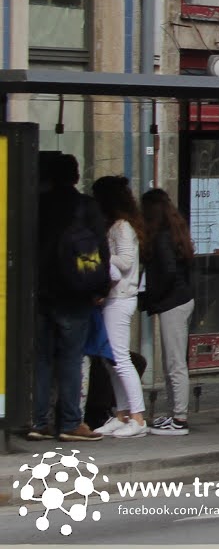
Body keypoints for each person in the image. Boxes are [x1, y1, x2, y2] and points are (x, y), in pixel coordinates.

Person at [29, 153, 106, 442]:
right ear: (75, 176)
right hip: (75, 293)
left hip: (43, 293)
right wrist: (100, 288)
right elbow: (100, 250)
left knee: (43, 359)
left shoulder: (37, 204)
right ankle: (71, 421)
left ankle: (39, 420)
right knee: (72, 357)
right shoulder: (86, 206)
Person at [89, 175, 148, 438]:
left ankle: (137, 416)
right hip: (116, 297)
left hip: (121, 297)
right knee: (110, 359)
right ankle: (122, 413)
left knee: (120, 359)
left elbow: (124, 261)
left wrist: (100, 254)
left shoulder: (122, 227)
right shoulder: (116, 225)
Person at [138, 189, 196, 436]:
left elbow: (168, 272)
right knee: (173, 361)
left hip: (173, 302)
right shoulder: (175, 232)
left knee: (174, 363)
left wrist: (153, 297)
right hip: (180, 299)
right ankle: (175, 413)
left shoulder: (161, 237)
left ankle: (180, 417)